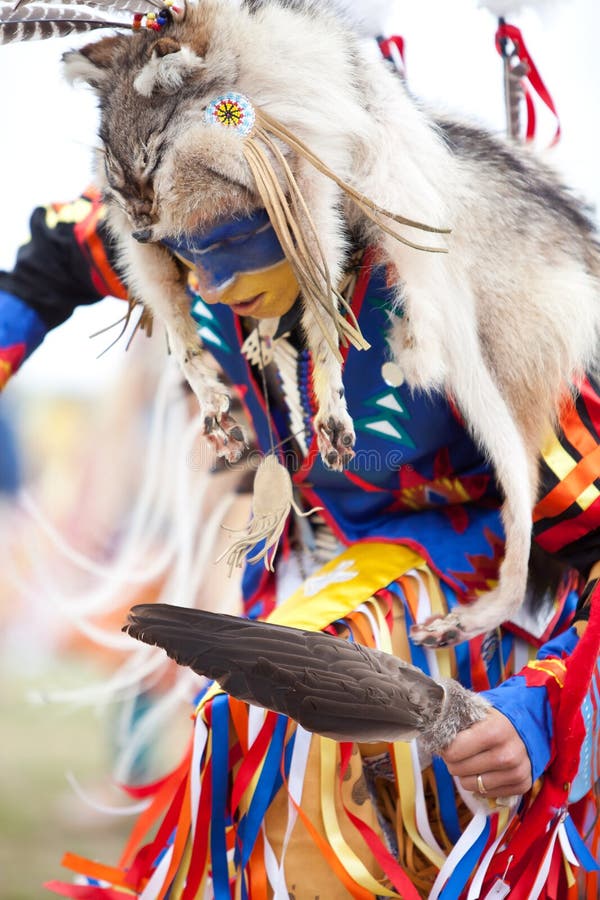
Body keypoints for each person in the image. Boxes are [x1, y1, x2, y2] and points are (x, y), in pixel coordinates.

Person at [1, 172, 599, 898]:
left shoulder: (487, 294)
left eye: (232, 246)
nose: (212, 284)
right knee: (262, 779)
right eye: (188, 255)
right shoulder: (167, 202)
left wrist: (536, 711)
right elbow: (60, 254)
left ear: (316, 202)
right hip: (309, 577)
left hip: (482, 618)